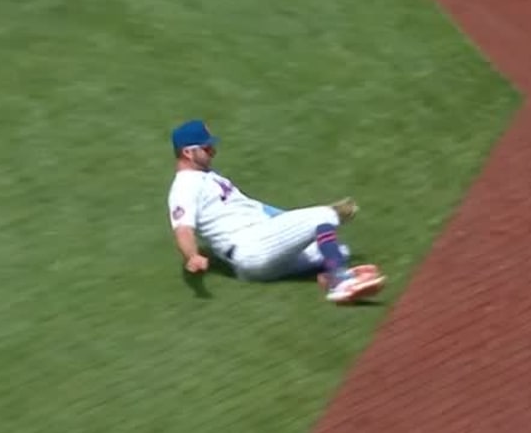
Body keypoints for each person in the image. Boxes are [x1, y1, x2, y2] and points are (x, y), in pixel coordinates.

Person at [165, 119, 386, 303]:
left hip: (265, 249)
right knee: (324, 216)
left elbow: (256, 208)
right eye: (206, 148)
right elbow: (183, 228)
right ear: (188, 152)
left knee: (339, 250)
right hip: (251, 248)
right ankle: (340, 283)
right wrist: (192, 256)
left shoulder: (208, 176)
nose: (213, 151)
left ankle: (329, 276)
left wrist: (295, 225)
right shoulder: (185, 186)